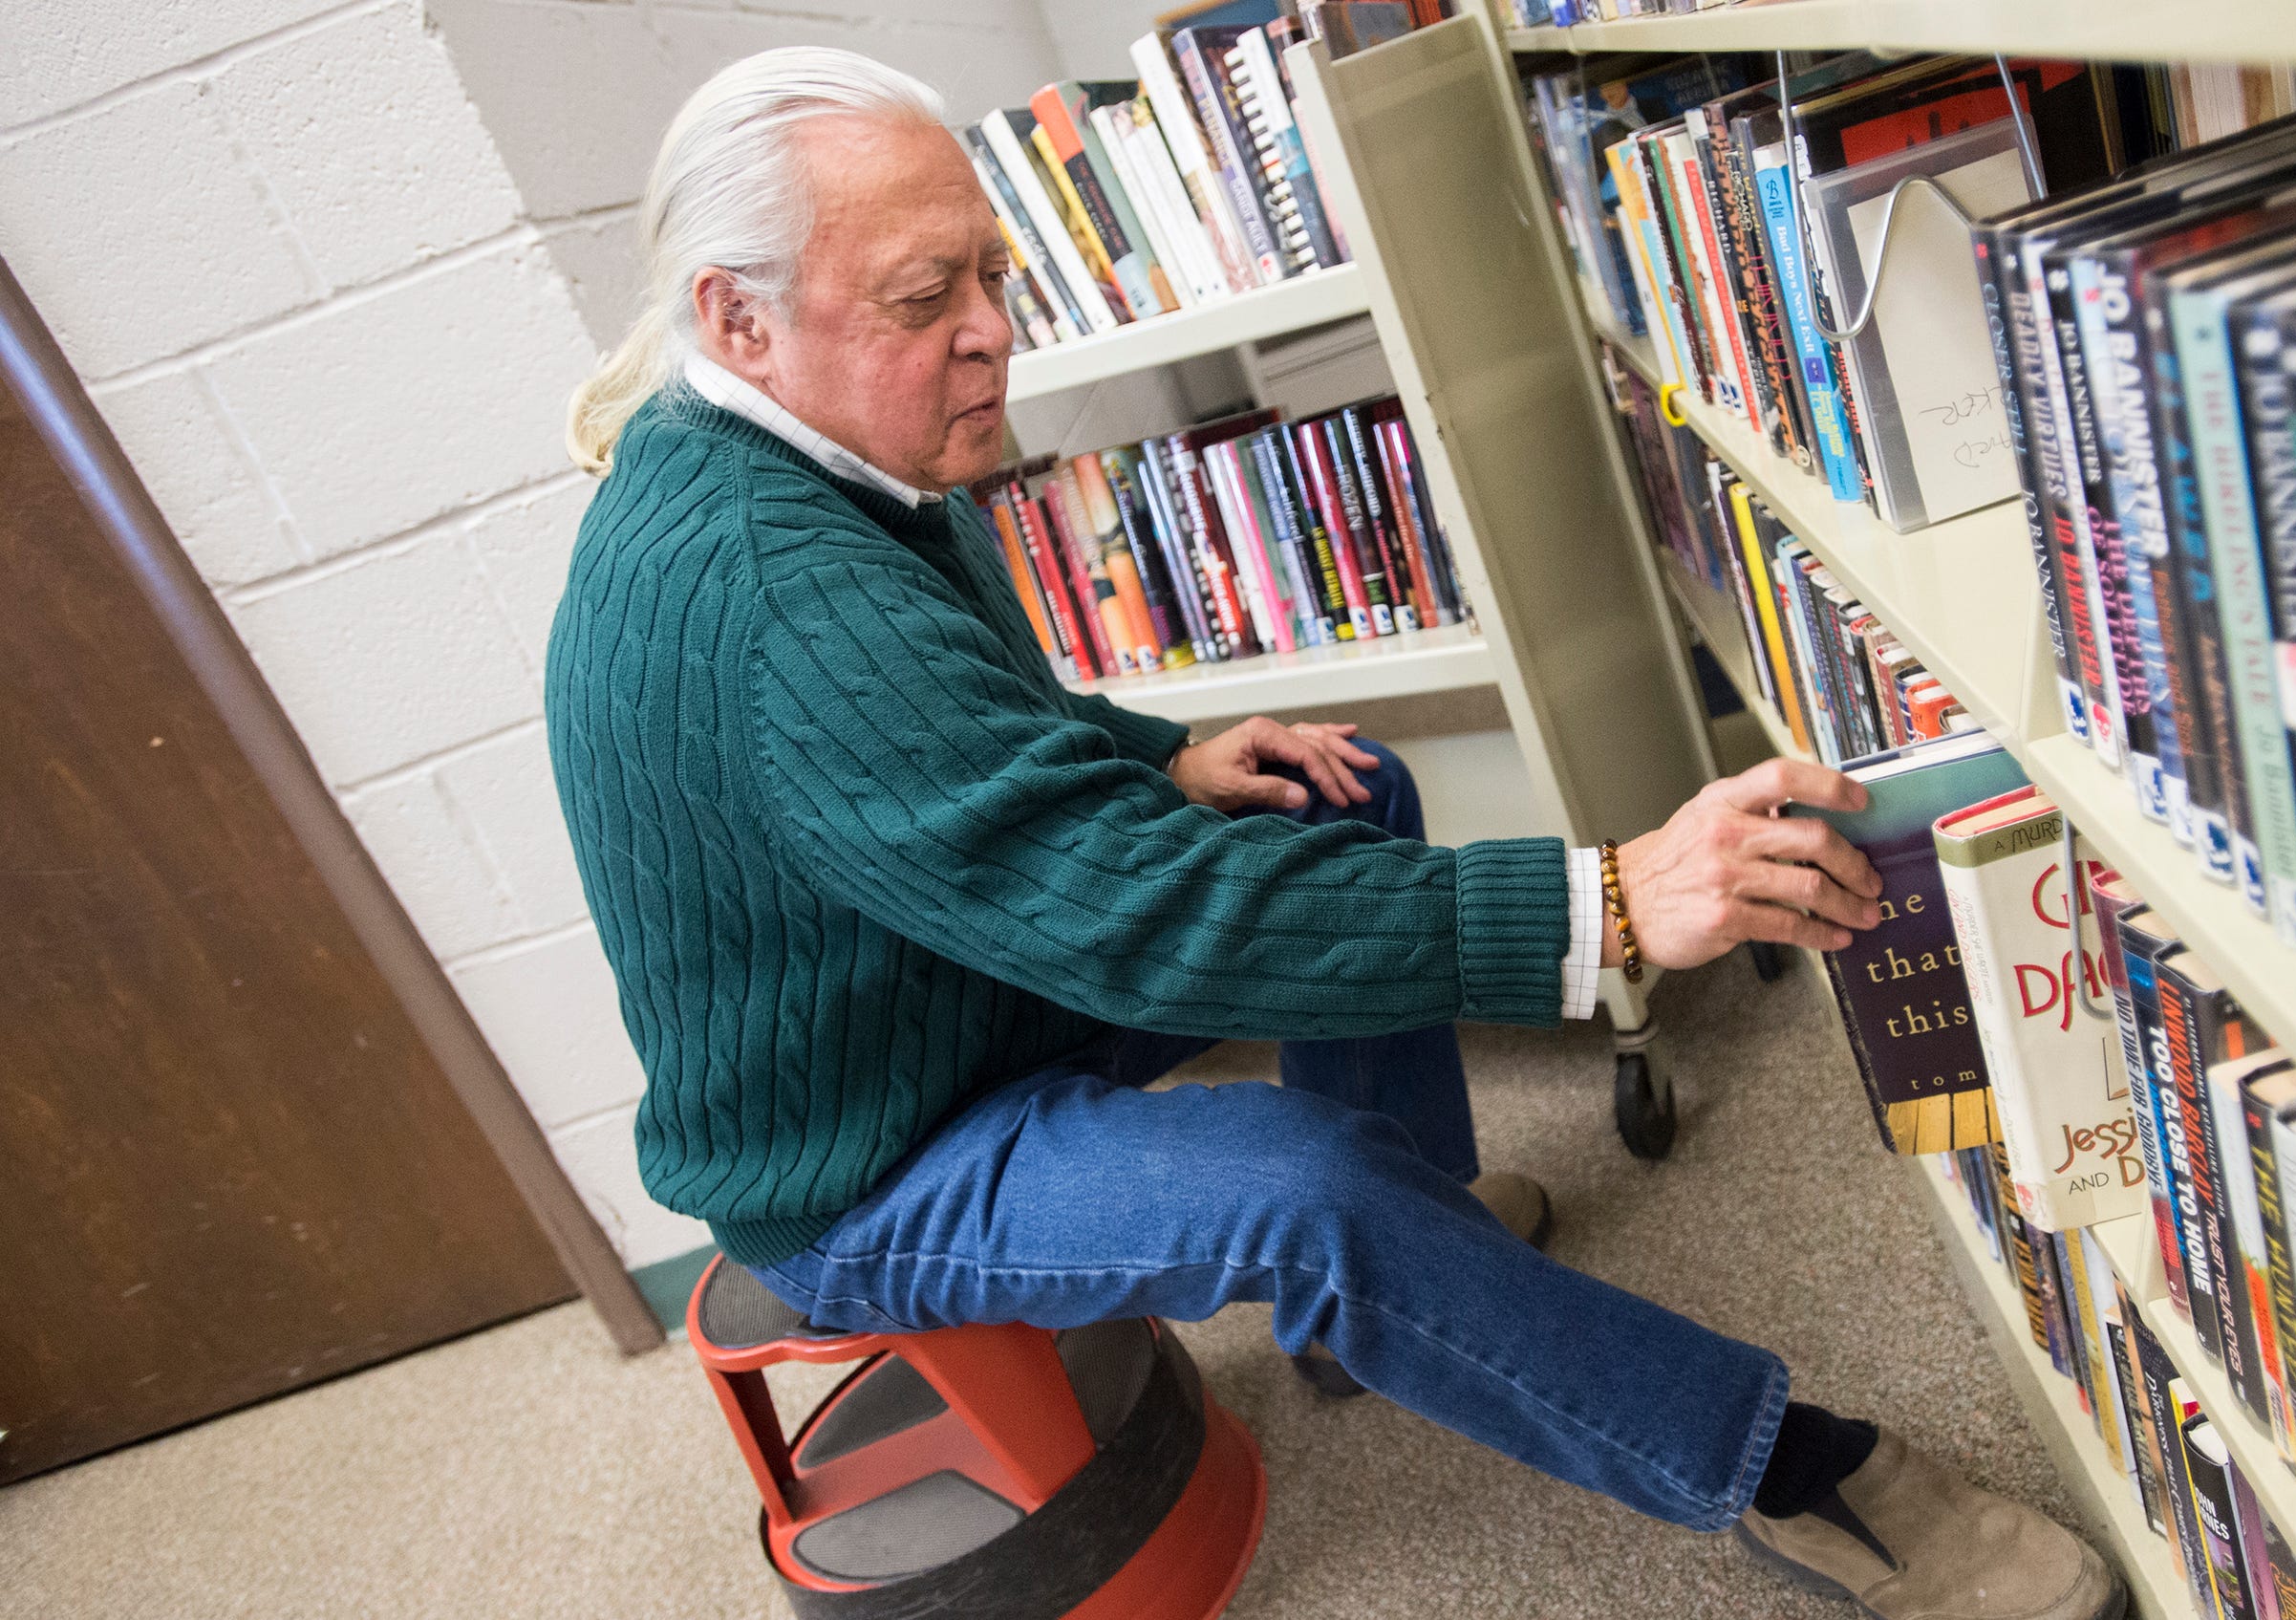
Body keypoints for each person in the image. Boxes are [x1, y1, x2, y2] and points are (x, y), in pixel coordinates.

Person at [545, 47, 2119, 1620]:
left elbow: (966, 734)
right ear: (736, 317)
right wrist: (1609, 904)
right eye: (921, 297)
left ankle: (1405, 1271)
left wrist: (1167, 755)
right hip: (876, 1157)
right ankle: (1781, 1468)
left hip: (961, 984)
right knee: (1307, 1194)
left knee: (1343, 793)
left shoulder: (824, 455)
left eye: (992, 275)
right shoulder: (774, 588)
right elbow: (1139, 916)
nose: (991, 329)